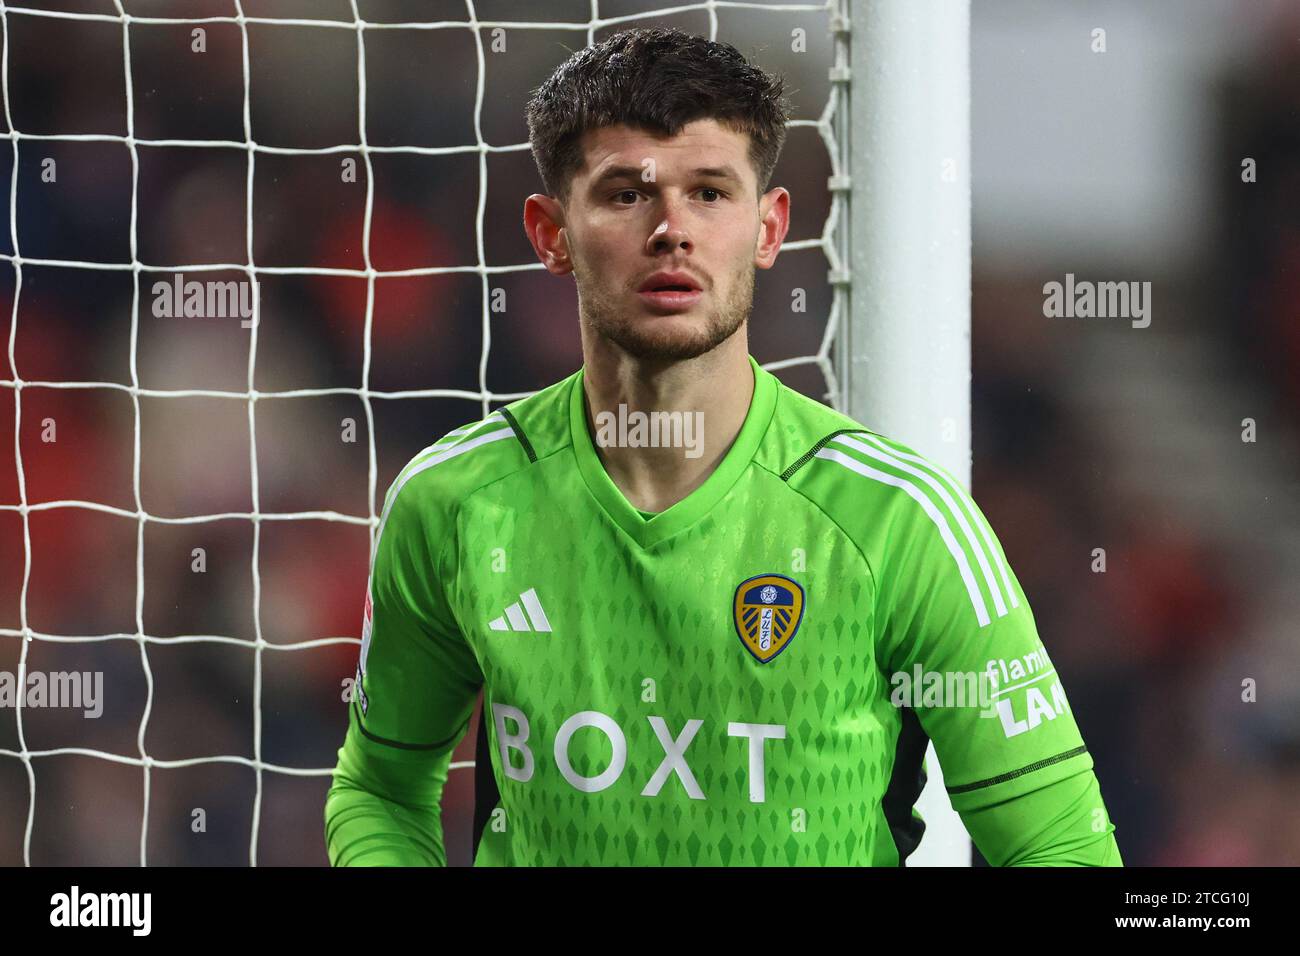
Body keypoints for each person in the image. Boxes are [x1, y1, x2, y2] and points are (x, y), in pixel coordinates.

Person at [323, 26, 1121, 866]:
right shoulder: (454, 502)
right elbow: (379, 788)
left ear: (770, 228)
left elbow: (1062, 847)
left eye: (710, 193)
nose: (672, 229)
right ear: (551, 233)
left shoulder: (897, 522)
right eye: (627, 194)